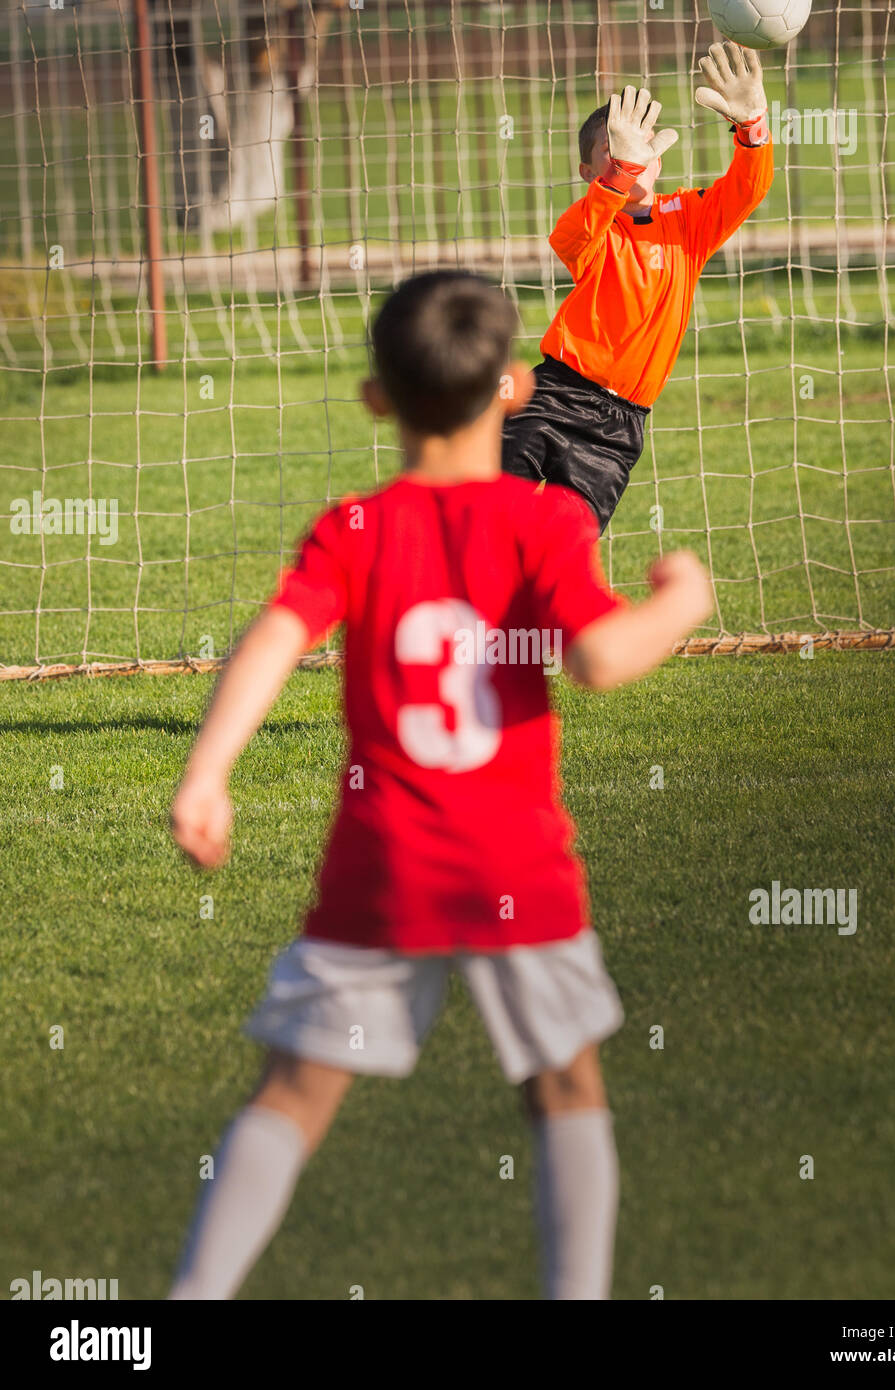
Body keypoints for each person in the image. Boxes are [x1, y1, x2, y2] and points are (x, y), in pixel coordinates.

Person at [168, 269, 713, 1301]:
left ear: (377, 397)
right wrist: (682, 600)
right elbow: (596, 658)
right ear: (513, 386)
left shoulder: (354, 528)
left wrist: (208, 773)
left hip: (384, 872)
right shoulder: (541, 523)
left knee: (295, 1089)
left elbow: (276, 636)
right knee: (564, 1086)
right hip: (516, 868)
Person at [502, 42, 774, 531]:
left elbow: (746, 190)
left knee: (562, 547)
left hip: (618, 428)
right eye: (613, 148)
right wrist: (618, 173)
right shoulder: (596, 224)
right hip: (555, 395)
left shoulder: (689, 218)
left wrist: (752, 129)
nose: (633, 156)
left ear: (660, 157)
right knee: (488, 511)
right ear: (590, 173)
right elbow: (571, 238)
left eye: (641, 147)